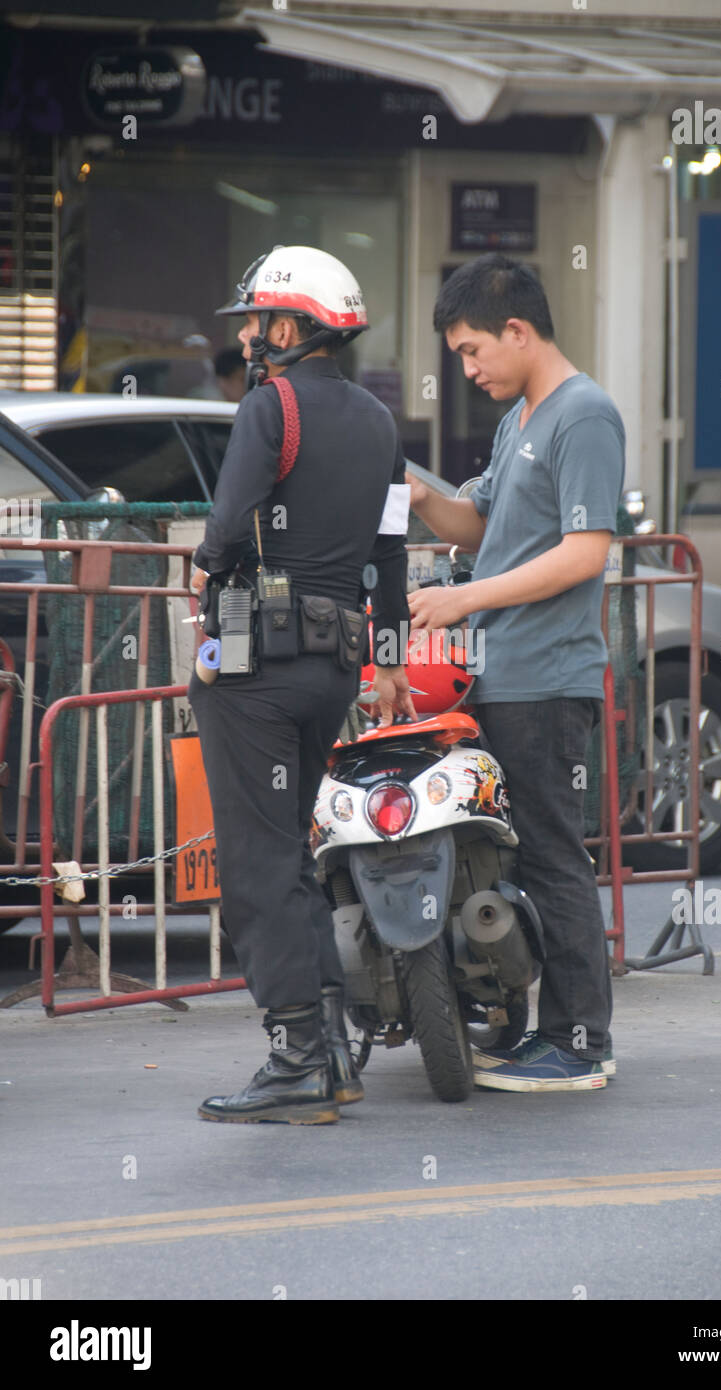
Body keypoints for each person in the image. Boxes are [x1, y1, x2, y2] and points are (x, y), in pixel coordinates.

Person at [188, 245, 416, 1125]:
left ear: (295, 326)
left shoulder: (267, 406)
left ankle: (294, 1061)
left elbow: (223, 530)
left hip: (258, 668)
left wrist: (211, 573)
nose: (246, 336)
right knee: (289, 851)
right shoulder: (379, 424)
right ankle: (325, 1053)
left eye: (256, 320)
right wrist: (388, 660)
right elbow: (388, 562)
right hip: (335, 667)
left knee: (254, 862)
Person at [407, 253, 625, 1094]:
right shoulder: (520, 417)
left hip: (546, 679)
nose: (467, 369)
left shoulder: (584, 416)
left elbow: (583, 552)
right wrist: (423, 499)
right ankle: (540, 1030)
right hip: (499, 678)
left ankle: (580, 1042)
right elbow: (486, 530)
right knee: (511, 861)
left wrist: (464, 605)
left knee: (551, 858)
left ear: (517, 330)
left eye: (471, 351)